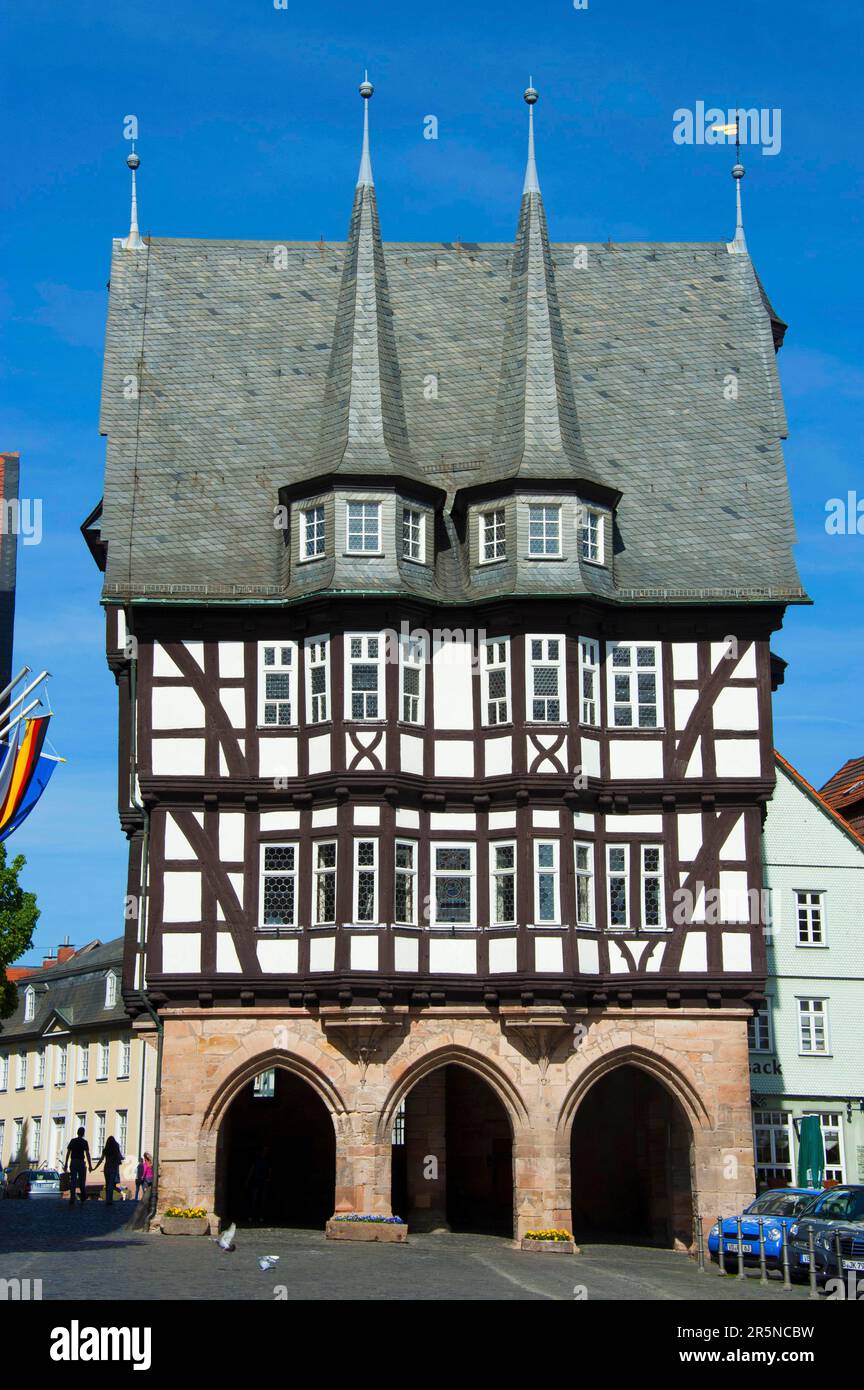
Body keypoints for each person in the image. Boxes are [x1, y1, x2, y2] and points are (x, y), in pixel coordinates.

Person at [63, 1127, 93, 1207]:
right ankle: (83, 1196)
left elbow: (68, 1153)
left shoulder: (73, 1141)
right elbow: (87, 1154)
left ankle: (72, 1198)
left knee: (73, 1180)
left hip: (73, 1161)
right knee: (82, 1180)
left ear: (77, 1133)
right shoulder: (84, 1142)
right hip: (80, 1162)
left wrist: (66, 1163)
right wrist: (90, 1165)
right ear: (83, 1133)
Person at [245, 1146, 272, 1224]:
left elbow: (270, 1172)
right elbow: (252, 1171)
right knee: (254, 1200)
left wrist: (268, 1179)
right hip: (256, 1181)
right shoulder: (256, 1161)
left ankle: (261, 1216)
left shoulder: (267, 1161)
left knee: (262, 1200)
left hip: (263, 1182)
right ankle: (252, 1216)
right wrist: (247, 1180)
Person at [94, 1135, 124, 1204]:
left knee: (107, 1184)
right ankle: (109, 1199)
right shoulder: (115, 1149)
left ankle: (108, 1199)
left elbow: (101, 1159)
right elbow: (119, 1157)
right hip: (113, 1168)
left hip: (107, 1168)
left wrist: (95, 1168)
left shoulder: (106, 1150)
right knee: (111, 1184)